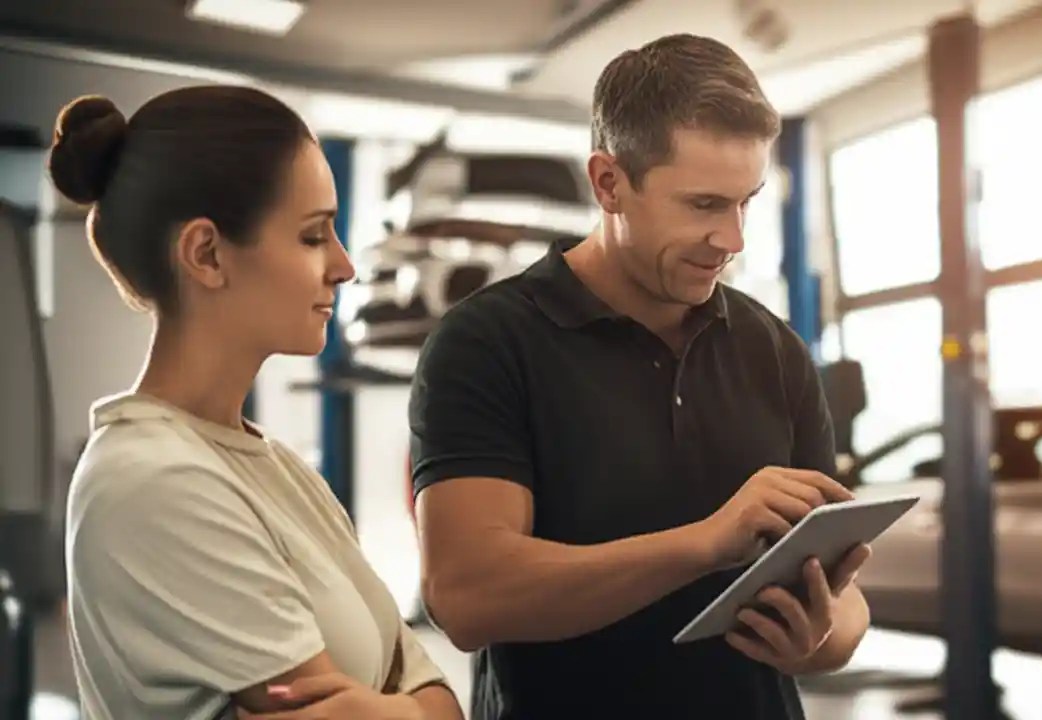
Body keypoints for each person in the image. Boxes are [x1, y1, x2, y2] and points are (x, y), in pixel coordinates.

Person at [409, 33, 873, 720]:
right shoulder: (487, 344)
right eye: (704, 205)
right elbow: (466, 596)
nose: (734, 240)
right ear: (609, 183)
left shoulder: (773, 349)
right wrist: (704, 544)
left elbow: (846, 595)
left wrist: (820, 637)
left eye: (747, 201)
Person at [53, 86, 463, 720]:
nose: (346, 266)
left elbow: (434, 689)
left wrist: (403, 710)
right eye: (313, 236)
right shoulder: (154, 480)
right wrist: (411, 707)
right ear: (207, 254)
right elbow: (413, 695)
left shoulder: (275, 466)